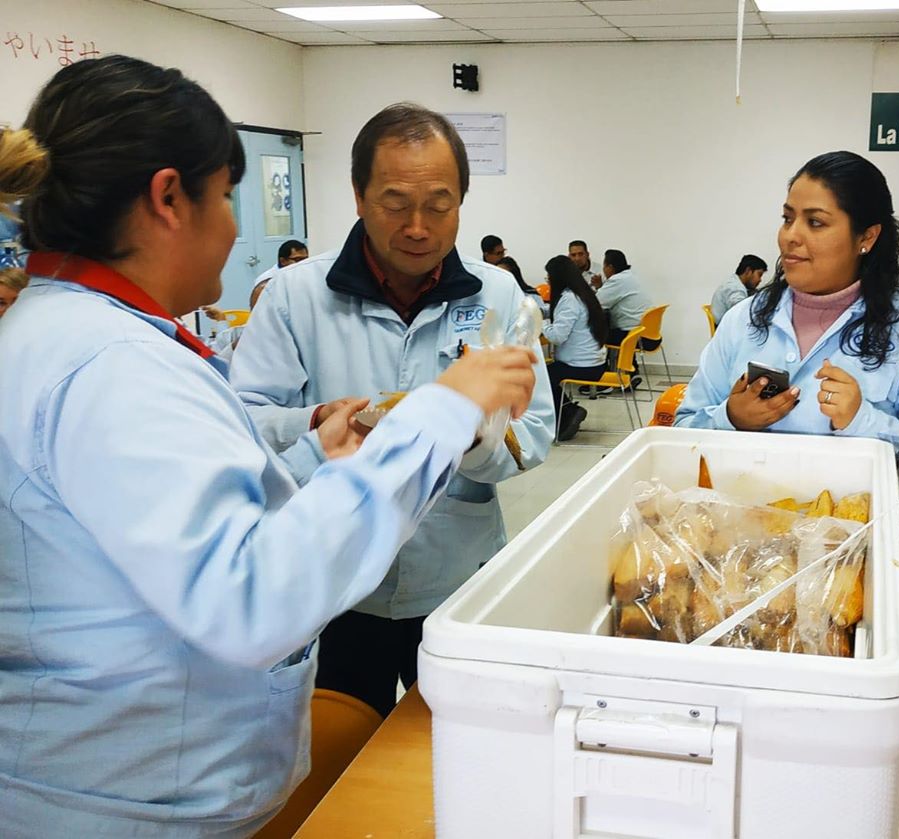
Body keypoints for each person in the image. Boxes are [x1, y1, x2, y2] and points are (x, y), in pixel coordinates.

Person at [0, 57, 537, 837]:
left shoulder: (73, 335)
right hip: (129, 799)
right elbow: (250, 598)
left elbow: (188, 516)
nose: (232, 228)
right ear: (169, 199)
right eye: (227, 197)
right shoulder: (113, 365)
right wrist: (441, 412)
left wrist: (317, 456)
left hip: (129, 776)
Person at [230, 103, 554, 719]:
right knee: (340, 742)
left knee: (460, 741)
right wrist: (316, 423)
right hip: (336, 582)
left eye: (439, 205)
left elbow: (534, 432)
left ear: (462, 201)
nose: (418, 227)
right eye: (395, 203)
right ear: (358, 196)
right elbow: (244, 421)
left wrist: (473, 433)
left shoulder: (497, 294)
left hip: (457, 576)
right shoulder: (297, 295)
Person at [675, 150, 899, 447]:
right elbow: (682, 429)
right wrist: (730, 418)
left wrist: (861, 420)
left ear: (866, 237)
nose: (790, 236)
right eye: (787, 218)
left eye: (815, 222)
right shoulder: (743, 320)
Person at [541, 255, 607, 441]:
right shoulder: (582, 294)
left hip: (582, 366)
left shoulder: (569, 299)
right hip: (595, 363)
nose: (548, 281)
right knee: (548, 372)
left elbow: (557, 337)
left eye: (549, 277)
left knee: (541, 377)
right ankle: (569, 411)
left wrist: (541, 322)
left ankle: (568, 414)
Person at [710, 254, 767, 324]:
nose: (760, 280)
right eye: (759, 275)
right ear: (748, 271)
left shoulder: (735, 282)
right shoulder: (734, 288)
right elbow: (742, 314)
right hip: (728, 328)